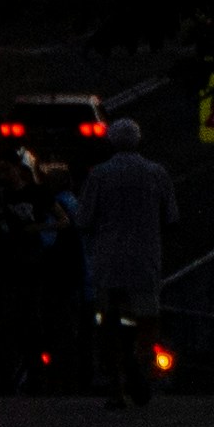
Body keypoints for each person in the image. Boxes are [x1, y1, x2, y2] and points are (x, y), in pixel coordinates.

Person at [78, 118, 180, 408]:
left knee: (110, 323)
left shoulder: (99, 175)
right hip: (145, 261)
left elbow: (84, 219)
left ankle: (117, 386)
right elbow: (172, 217)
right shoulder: (156, 173)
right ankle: (142, 368)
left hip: (108, 262)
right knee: (146, 320)